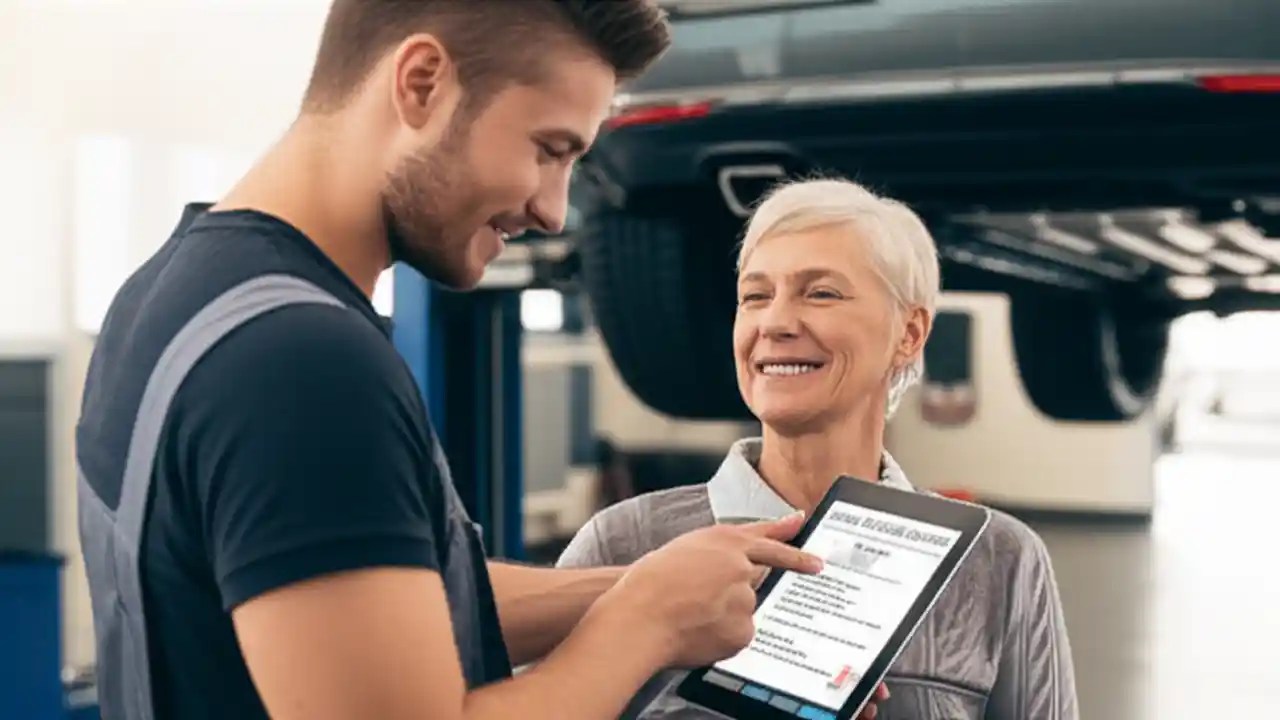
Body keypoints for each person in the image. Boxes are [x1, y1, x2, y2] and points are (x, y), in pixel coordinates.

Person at [72, 3, 871, 719]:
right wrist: (646, 627)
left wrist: (650, 582)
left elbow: (369, 596)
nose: (554, 210)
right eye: (548, 149)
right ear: (421, 83)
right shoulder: (303, 365)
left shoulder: (179, 293)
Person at [558, 178, 1080, 719]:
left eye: (821, 292)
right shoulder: (623, 544)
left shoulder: (1000, 562)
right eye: (755, 296)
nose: (776, 323)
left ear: (909, 332)